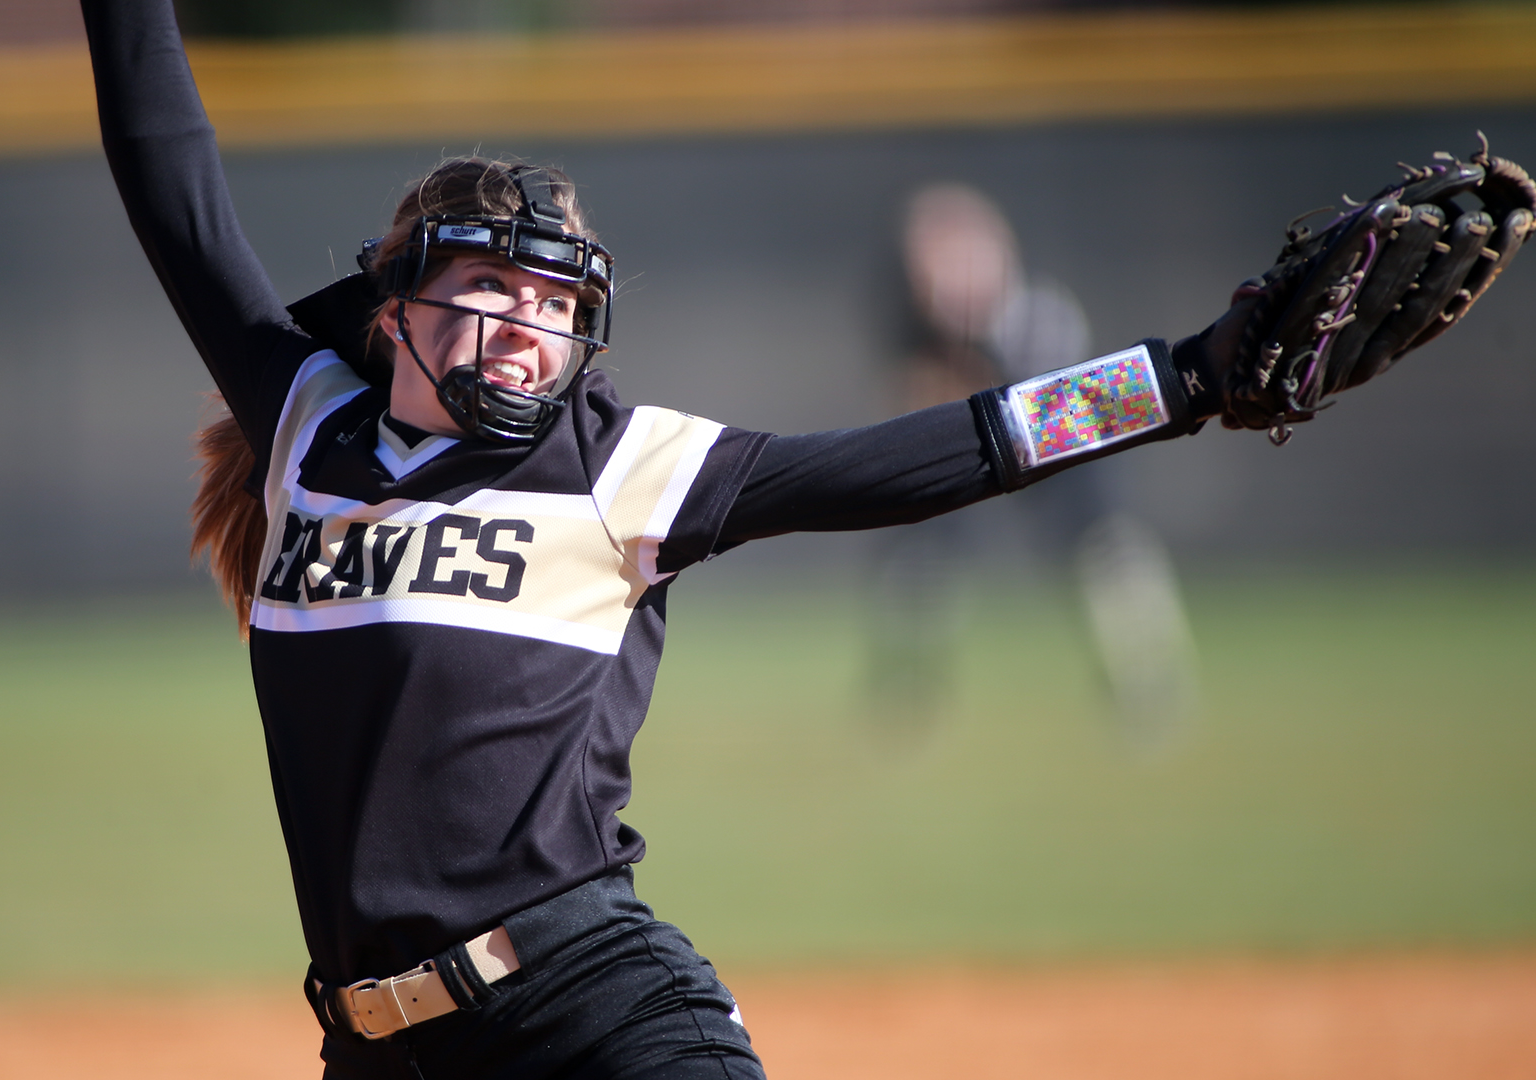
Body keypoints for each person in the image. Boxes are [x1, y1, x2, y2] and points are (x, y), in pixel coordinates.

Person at [82, 2, 1254, 1075]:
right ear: (396, 310)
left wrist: (1188, 379)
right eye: (495, 285)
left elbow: (931, 455)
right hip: (374, 1051)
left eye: (557, 304)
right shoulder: (304, 426)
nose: (529, 326)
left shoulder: (617, 464)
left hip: (592, 1017)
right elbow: (167, 175)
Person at [867, 184, 1201, 748]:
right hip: (981, 440)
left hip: (1064, 439)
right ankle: (906, 692)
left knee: (1109, 552)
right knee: (919, 556)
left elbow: (1070, 414)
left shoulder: (1040, 315)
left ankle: (1149, 684)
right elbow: (912, 399)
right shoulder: (918, 323)